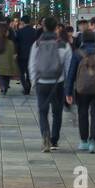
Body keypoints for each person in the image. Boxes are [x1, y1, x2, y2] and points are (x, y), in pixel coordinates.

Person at [66, 29, 95, 153]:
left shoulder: (77, 54)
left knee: (82, 113)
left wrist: (68, 92)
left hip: (81, 89)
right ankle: (93, 142)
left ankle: (84, 141)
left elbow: (71, 74)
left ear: (82, 40)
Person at [29, 16, 71, 152]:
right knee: (57, 112)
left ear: (44, 27)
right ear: (57, 27)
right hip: (57, 83)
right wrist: (67, 85)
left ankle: (45, 138)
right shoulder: (64, 45)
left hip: (41, 82)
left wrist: (33, 81)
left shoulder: (37, 43)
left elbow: (32, 64)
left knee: (42, 112)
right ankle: (54, 140)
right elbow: (68, 67)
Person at [15, 15, 41, 95]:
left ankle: (25, 86)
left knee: (21, 72)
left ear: (22, 22)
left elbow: (17, 43)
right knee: (29, 71)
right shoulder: (34, 31)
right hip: (31, 54)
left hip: (21, 55)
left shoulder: (19, 31)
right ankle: (28, 86)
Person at [0, 22, 18, 95]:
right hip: (8, 67)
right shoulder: (10, 43)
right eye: (7, 31)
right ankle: (4, 87)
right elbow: (12, 56)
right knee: (6, 78)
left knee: (0, 78)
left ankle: (2, 86)